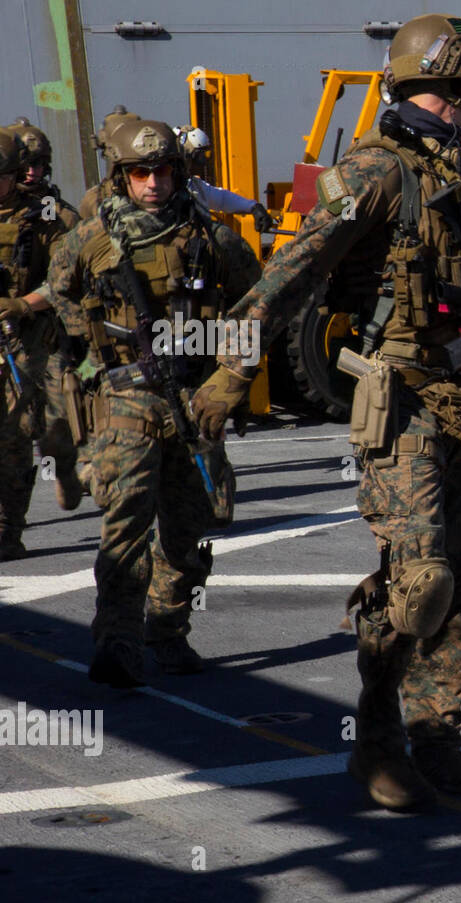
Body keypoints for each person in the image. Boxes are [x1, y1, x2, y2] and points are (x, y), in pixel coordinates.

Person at [191, 13, 461, 809]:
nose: (460, 103)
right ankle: (376, 740)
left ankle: (438, 736)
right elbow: (292, 271)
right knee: (419, 579)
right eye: (446, 89)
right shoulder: (374, 170)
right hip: (401, 399)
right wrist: (234, 369)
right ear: (410, 86)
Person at [46, 117, 259, 685]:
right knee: (126, 523)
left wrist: (232, 377)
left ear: (178, 172)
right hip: (126, 397)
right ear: (122, 176)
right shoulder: (90, 239)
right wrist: (92, 348)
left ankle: (167, 628)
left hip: (195, 396)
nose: (153, 182)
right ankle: (117, 641)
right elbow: (60, 292)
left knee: (192, 527)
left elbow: (257, 306)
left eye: (162, 170)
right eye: (140, 172)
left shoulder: (213, 239)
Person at [0, 125, 83, 558]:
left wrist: (22, 305)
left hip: (32, 340)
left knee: (27, 430)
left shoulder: (49, 216)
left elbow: (68, 278)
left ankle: (8, 525)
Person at [174, 126, 274, 232]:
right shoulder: (168, 189)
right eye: (199, 155)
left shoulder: (194, 186)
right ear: (186, 156)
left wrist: (253, 207)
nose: (203, 162)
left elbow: (222, 199)